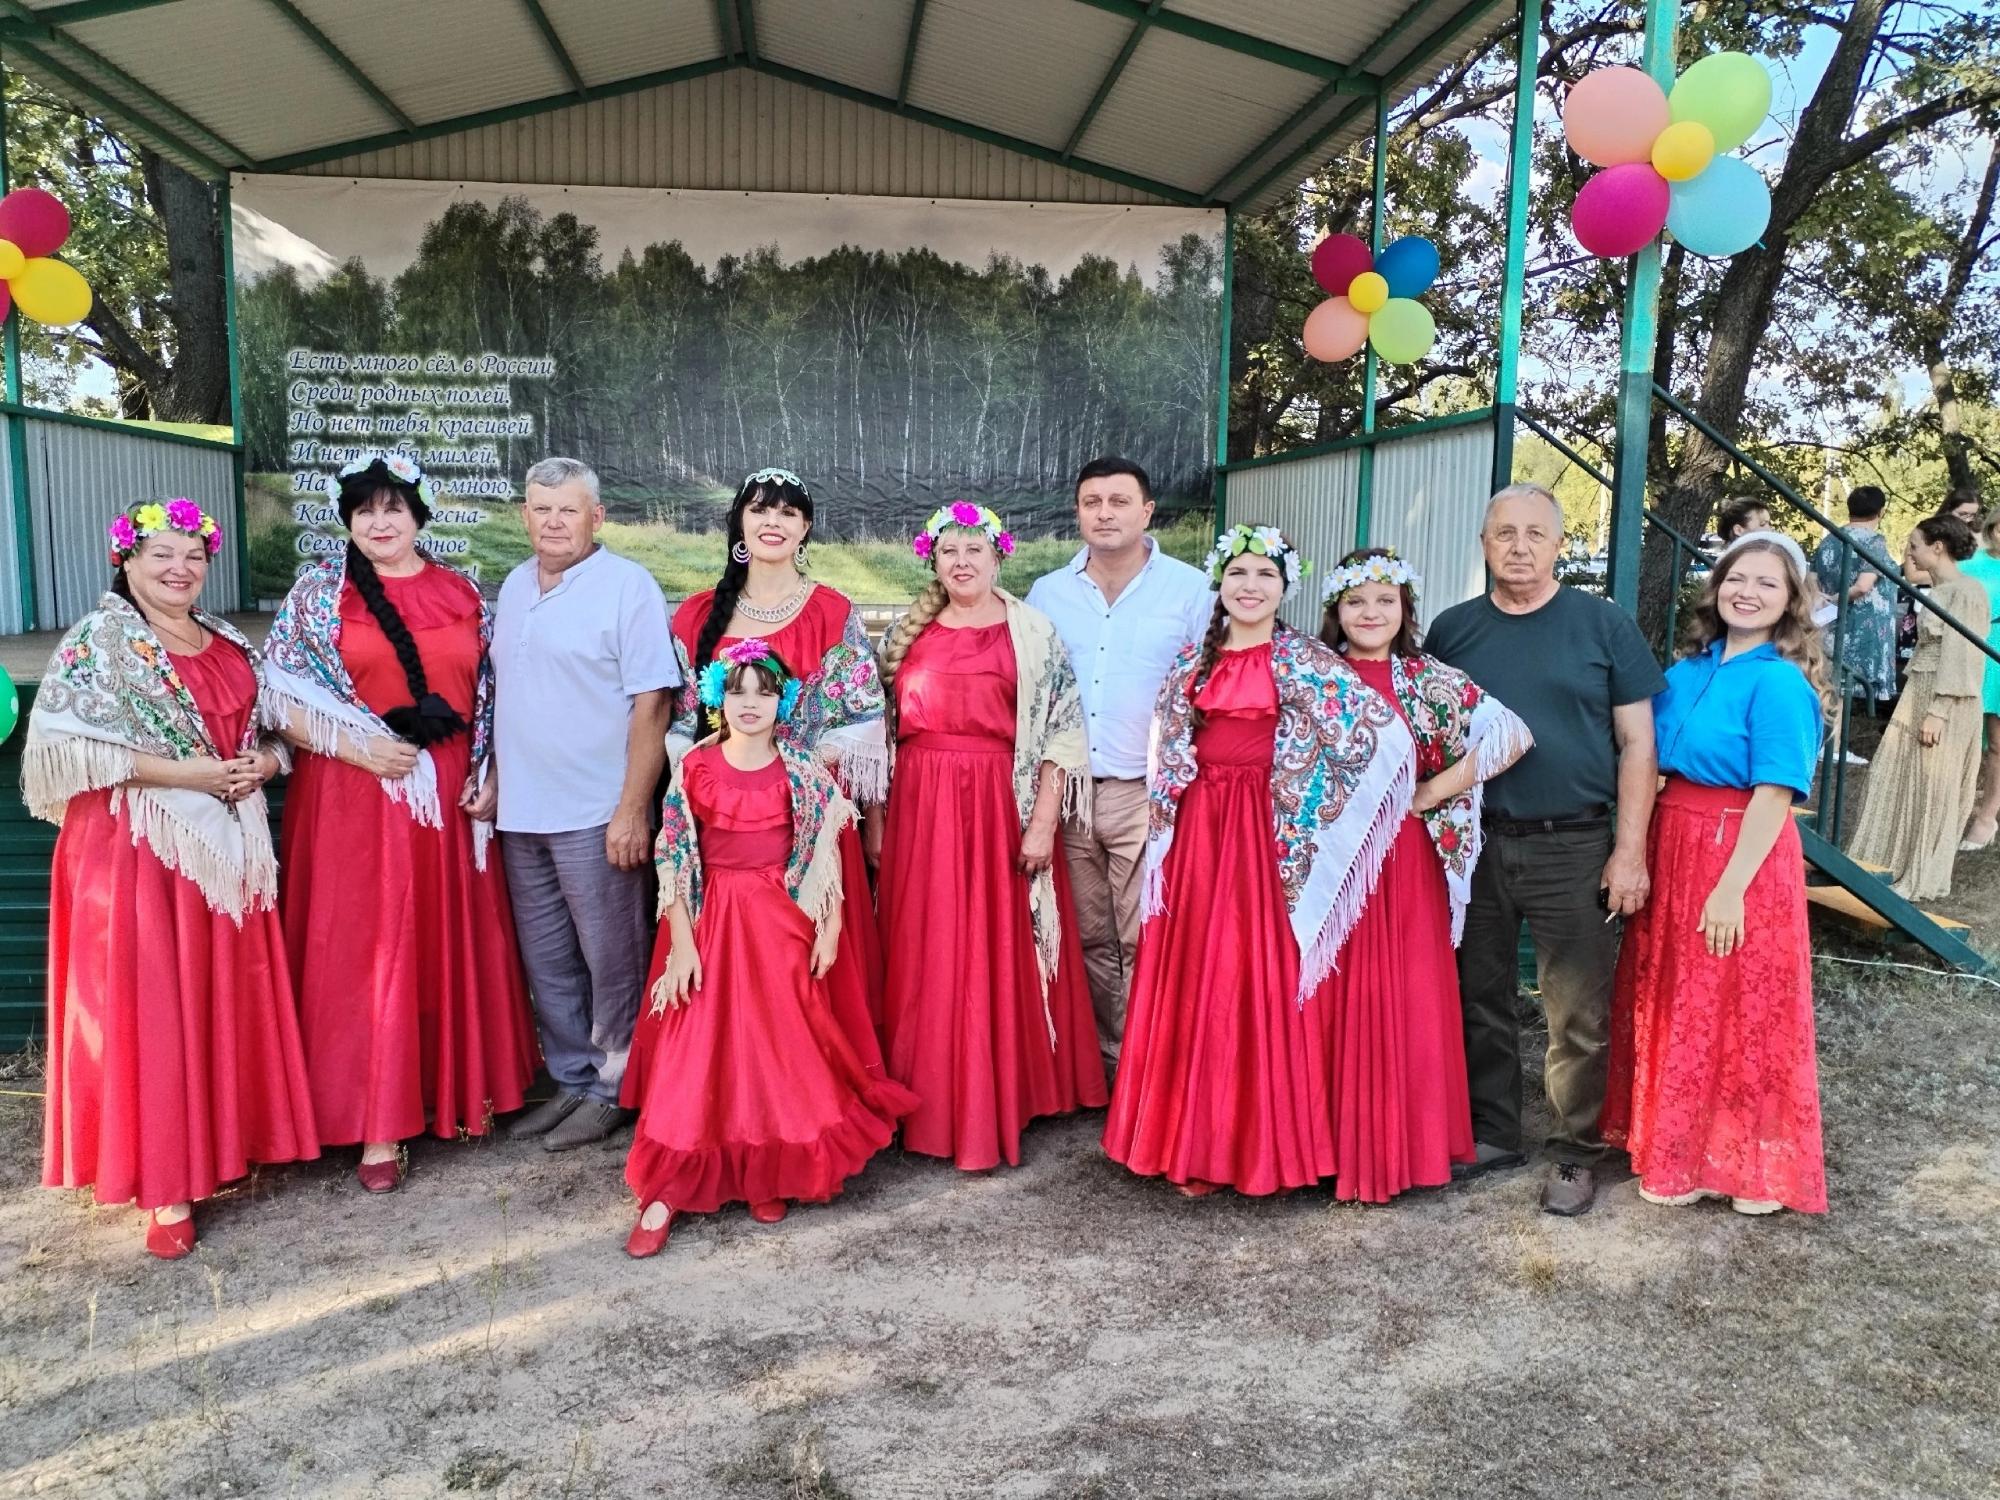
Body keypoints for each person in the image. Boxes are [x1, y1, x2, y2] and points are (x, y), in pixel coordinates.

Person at [25, 501, 315, 1258]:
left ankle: (226, 1141)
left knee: (217, 994)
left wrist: (269, 763)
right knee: (153, 1007)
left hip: (223, 842)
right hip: (139, 846)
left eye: (193, 556)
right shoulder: (101, 641)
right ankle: (166, 1181)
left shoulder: (224, 639)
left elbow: (270, 730)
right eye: (162, 555)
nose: (179, 569)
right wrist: (189, 772)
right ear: (126, 560)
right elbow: (66, 744)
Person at [1101, 527, 1415, 1198]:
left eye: (1265, 576)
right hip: (1201, 830)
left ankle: (1263, 1145)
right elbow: (1169, 744)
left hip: (1267, 834)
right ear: (1221, 583)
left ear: (1284, 588)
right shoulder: (1195, 660)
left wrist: (1321, 812)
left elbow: (1381, 739)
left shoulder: (1305, 659)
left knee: (1257, 976)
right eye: (1238, 572)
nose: (1250, 585)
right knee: (1198, 973)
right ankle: (1193, 1142)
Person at [262, 452, 536, 1191]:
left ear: (419, 513)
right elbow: (277, 699)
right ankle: (373, 1125)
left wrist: (494, 776)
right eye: (364, 511)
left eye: (392, 507)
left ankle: (451, 1095)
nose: (379, 522)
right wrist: (357, 744)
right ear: (348, 521)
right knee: (361, 949)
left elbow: (497, 699)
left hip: (446, 801)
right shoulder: (319, 594)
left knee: (441, 937)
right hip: (353, 796)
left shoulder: (464, 592)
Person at [623, 641, 916, 1258]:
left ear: (782, 701)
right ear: (717, 700)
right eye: (737, 691)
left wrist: (830, 926)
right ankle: (665, 1189)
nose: (750, 703)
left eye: (764, 691)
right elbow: (675, 857)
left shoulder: (801, 769)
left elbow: (824, 849)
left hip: (779, 924)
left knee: (776, 1049)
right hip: (713, 924)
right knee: (700, 1049)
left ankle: (768, 1171)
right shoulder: (697, 767)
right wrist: (680, 946)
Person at [1423, 483, 1665, 1217]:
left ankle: (1574, 1150)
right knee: (1479, 995)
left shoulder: (1602, 625)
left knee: (1576, 1012)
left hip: (1576, 842)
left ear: (1560, 544)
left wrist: (1630, 851)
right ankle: (1494, 1130)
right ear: (1485, 544)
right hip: (1479, 844)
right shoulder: (1452, 631)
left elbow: (1638, 743)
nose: (1519, 546)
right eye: (1504, 533)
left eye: (1535, 533)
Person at [627, 467, 889, 1103]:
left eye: (788, 513)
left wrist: (791, 777)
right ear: (740, 524)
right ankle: (711, 1105)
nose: (773, 521)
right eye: (759, 509)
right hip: (723, 836)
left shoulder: (832, 612)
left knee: (803, 976)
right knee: (717, 974)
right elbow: (684, 725)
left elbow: (861, 722)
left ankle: (810, 1108)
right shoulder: (695, 616)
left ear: (804, 530)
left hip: (803, 829)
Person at [875, 502, 1107, 1170]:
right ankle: (925, 1095)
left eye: (975, 550)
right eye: (950, 551)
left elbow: (1063, 731)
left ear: (999, 555)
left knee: (995, 948)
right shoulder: (905, 636)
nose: (963, 562)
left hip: (1001, 806)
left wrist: (1041, 822)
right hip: (923, 807)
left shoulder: (1031, 631)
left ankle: (1001, 1095)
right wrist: (881, 825)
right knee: (928, 946)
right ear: (934, 560)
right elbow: (881, 738)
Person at [1604, 531, 1829, 1215]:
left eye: (1767, 583)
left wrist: (1730, 888)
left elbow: (1776, 793)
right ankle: (1682, 1148)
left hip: (1740, 853)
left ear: (1789, 600)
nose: (1748, 592)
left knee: (1738, 1002)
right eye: (1738, 578)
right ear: (1717, 586)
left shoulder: (1780, 682)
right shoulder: (1687, 671)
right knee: (1679, 998)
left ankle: (1745, 1163)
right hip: (1675, 841)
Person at [1317, 548, 1535, 1202]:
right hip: (1335, 860)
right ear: (1337, 610)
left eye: (1385, 601)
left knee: (1406, 988)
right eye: (1357, 601)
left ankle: (1405, 1145)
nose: (1371, 612)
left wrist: (1430, 791)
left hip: (1405, 857)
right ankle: (1330, 1146)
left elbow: (1511, 735)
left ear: (1406, 609)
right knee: (1335, 991)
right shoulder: (1315, 676)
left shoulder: (1425, 679)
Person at [492, 457, 678, 1151]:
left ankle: (615, 1087)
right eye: (542, 509)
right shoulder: (513, 587)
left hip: (597, 811)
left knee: (612, 958)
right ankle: (572, 1079)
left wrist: (633, 808)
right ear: (525, 516)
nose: (554, 522)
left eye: (568, 510)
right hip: (522, 813)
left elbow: (652, 704)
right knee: (549, 961)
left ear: (597, 517)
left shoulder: (627, 587)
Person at [1025, 457, 1211, 1071]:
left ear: (1147, 511)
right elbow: (1034, 694)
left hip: (1147, 793)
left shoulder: (1189, 591)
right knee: (1092, 937)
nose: (1105, 513)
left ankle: (1153, 1067)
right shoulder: (1049, 593)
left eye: (1119, 501)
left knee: (1146, 934)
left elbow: (1216, 684)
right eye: (1092, 502)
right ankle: (1111, 1061)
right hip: (1072, 795)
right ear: (1078, 512)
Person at [1848, 515, 1989, 899]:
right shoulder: (1939, 589)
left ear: (1937, 546)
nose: (1910, 551)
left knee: (1932, 784)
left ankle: (1920, 872)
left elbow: (1964, 655)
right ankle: (1883, 862)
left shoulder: (1967, 592)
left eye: (1914, 544)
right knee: (1893, 775)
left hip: (1946, 698)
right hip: (1920, 691)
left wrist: (1939, 710)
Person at [1810, 484, 1901, 714]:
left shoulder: (1829, 539)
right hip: (1859, 629)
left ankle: (1829, 744)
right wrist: (1834, 598)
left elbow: (1811, 579)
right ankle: (1835, 745)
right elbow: (1863, 586)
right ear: (1880, 512)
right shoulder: (1873, 542)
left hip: (1829, 626)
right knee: (1840, 694)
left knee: (1830, 689)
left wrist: (1822, 599)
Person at [1959, 505, 2000, 852]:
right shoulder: (1969, 565)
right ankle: (1954, 810)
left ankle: (1987, 816)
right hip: (1971, 647)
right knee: (1963, 736)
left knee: (1999, 744)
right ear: (1991, 527)